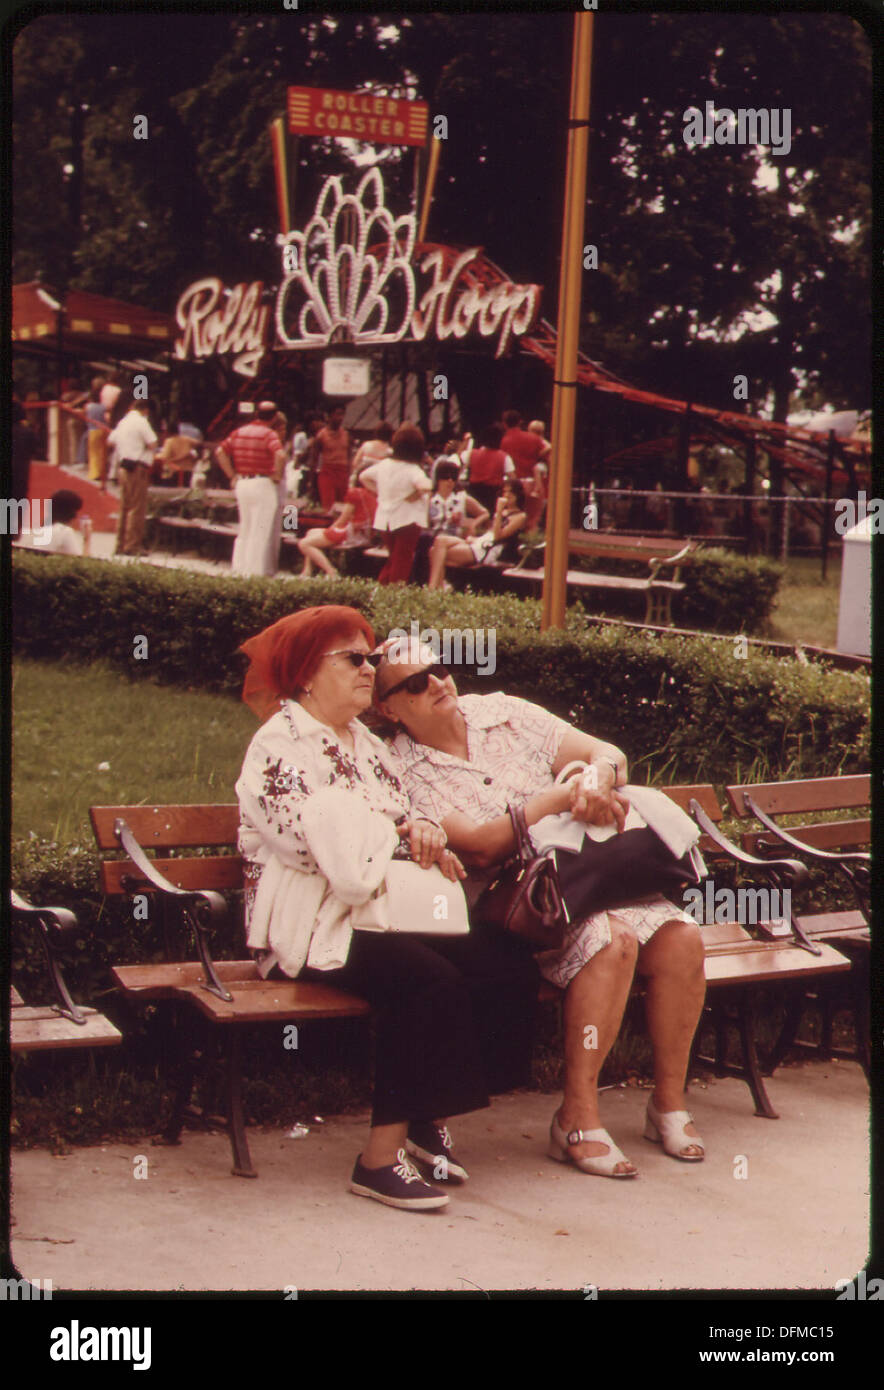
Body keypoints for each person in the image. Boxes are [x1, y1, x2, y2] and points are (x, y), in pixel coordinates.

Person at [235, 607, 539, 1211]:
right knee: (425, 981)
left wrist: (420, 830)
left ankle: (427, 1111)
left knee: (505, 961)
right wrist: (400, 835)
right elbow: (311, 845)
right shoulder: (279, 746)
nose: (367, 669)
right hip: (307, 919)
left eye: (370, 658)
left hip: (379, 904)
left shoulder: (366, 743)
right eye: (352, 659)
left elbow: (403, 811)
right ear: (304, 675)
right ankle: (378, 1160)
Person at [375, 648, 707, 1178]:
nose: (436, 682)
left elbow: (608, 752)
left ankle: (668, 1103)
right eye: (414, 682)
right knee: (611, 939)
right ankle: (576, 1119)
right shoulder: (398, 765)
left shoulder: (504, 711)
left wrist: (597, 778)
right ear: (390, 709)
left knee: (682, 937)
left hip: (590, 875)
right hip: (518, 905)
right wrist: (559, 797)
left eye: (439, 668)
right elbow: (481, 847)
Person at [215, 402, 286, 578]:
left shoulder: (239, 432)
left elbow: (220, 452)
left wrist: (231, 474)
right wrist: (277, 474)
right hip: (262, 482)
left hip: (243, 482)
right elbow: (280, 454)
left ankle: (239, 569)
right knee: (260, 531)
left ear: (256, 414)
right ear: (275, 417)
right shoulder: (269, 434)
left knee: (245, 528)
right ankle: (254, 574)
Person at [359, 423, 432, 585]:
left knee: (394, 559)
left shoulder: (384, 465)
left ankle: (381, 591)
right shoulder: (413, 469)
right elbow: (427, 486)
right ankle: (392, 597)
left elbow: (363, 477)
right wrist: (416, 493)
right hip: (408, 520)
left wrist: (380, 493)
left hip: (385, 519)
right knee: (402, 562)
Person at [425, 477, 527, 590]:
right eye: (505, 491)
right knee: (440, 540)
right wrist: (474, 538)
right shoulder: (503, 512)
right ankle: (439, 586)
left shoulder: (520, 516)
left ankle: (435, 587)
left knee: (434, 552)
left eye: (511, 492)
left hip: (487, 550)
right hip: (480, 543)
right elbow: (491, 532)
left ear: (518, 494)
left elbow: (498, 536)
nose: (507, 495)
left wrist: (498, 511)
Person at [410, 461, 490, 585]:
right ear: (438, 479)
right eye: (445, 478)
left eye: (453, 478)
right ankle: (436, 584)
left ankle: (426, 584)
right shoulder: (430, 498)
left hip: (454, 539)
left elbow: (485, 513)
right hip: (434, 538)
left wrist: (472, 524)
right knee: (426, 541)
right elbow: (424, 524)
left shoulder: (462, 499)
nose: (450, 481)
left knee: (429, 545)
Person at [108, 399, 158, 556]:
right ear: (146, 410)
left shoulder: (123, 422)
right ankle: (132, 546)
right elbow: (153, 443)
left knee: (124, 507)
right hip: (138, 467)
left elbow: (110, 441)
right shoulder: (141, 422)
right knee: (137, 508)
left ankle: (120, 544)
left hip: (124, 466)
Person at [297, 484, 376, 577]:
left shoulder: (355, 493)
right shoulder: (372, 494)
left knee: (304, 544)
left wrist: (330, 530)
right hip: (362, 534)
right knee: (311, 532)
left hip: (352, 534)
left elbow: (343, 519)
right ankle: (307, 571)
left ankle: (331, 572)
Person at [461, 423, 515, 515]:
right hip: (493, 495)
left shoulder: (472, 453)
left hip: (474, 491)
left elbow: (460, 465)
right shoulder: (504, 457)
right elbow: (513, 478)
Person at [313, 405, 351, 509]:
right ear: (329, 416)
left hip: (343, 474)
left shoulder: (346, 435)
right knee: (329, 508)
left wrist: (350, 475)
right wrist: (312, 484)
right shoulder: (321, 435)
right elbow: (314, 460)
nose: (340, 418)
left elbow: (349, 457)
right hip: (328, 474)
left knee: (341, 508)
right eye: (337, 414)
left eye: (342, 415)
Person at [32, 488, 90, 555]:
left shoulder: (43, 530)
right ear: (71, 513)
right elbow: (81, 562)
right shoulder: (65, 532)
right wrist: (87, 539)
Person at [85, 388, 109, 487]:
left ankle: (94, 473)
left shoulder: (88, 406)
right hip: (102, 430)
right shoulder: (103, 407)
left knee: (93, 452)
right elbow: (107, 418)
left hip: (92, 430)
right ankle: (102, 472)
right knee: (102, 452)